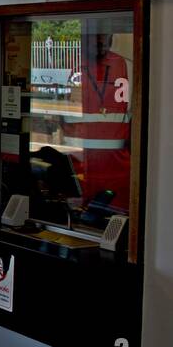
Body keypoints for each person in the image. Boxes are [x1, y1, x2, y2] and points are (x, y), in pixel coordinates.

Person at [61, 31, 130, 212]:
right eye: (94, 34)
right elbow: (61, 114)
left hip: (117, 170)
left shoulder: (127, 66)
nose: (99, 40)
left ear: (111, 37)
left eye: (103, 34)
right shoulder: (73, 67)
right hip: (80, 170)